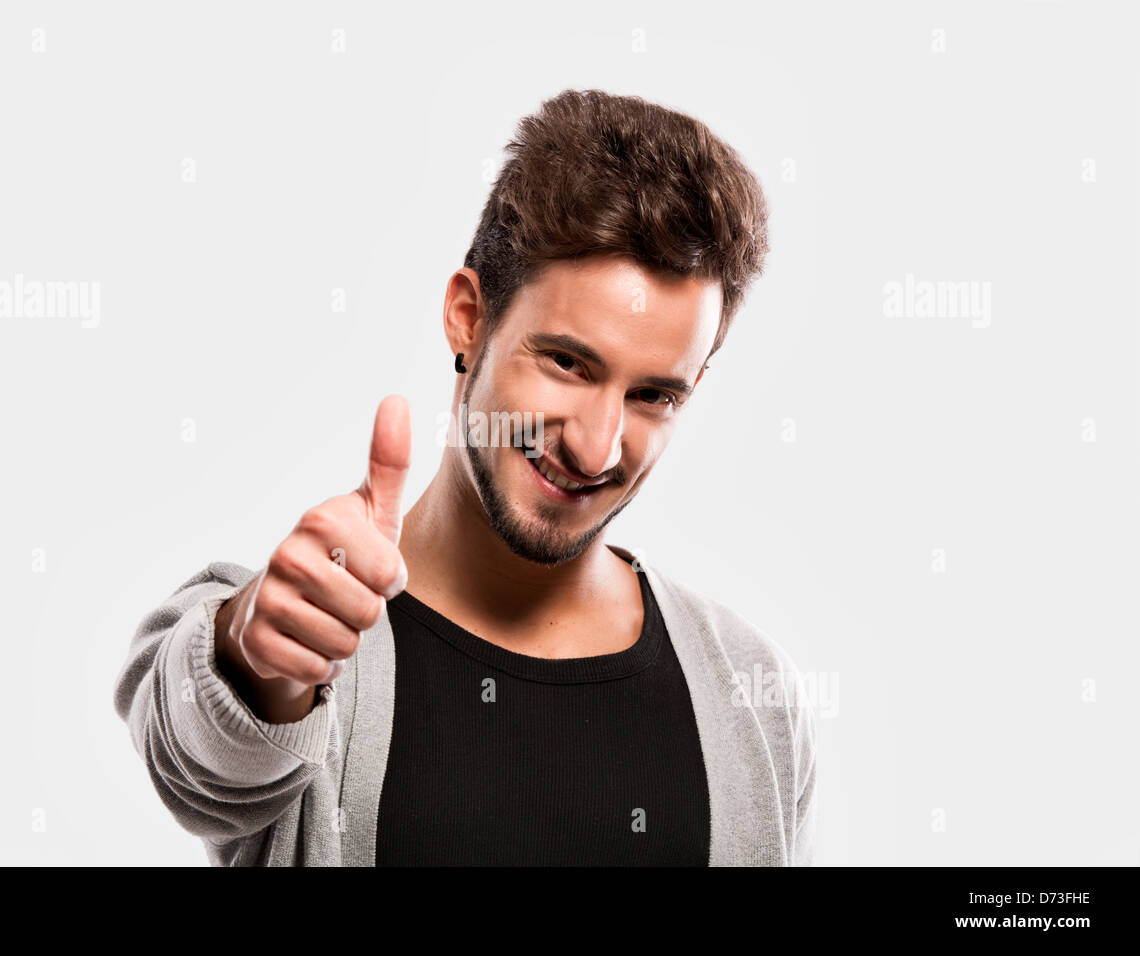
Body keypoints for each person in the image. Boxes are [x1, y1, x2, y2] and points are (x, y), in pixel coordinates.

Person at [113, 88, 817, 866]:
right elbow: (197, 755)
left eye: (653, 395)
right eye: (567, 363)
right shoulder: (321, 653)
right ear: (468, 317)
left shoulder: (750, 694)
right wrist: (256, 659)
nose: (595, 448)